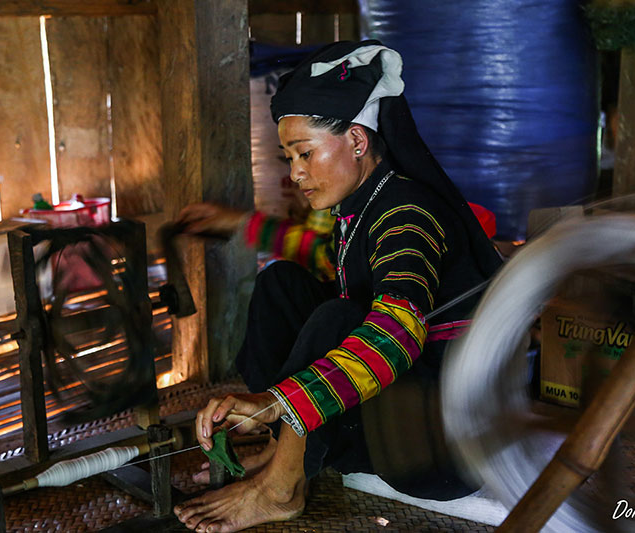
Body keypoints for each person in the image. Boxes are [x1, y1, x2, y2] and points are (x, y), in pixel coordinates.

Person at [173, 40, 503, 533]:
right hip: (402, 418)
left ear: (356, 140)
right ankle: (283, 447)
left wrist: (278, 400)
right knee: (281, 283)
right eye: (288, 157)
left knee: (341, 320)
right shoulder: (364, 205)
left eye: (304, 153)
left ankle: (282, 487)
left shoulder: (406, 214)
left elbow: (396, 336)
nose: (296, 173)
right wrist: (234, 222)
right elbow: (315, 255)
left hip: (445, 447)